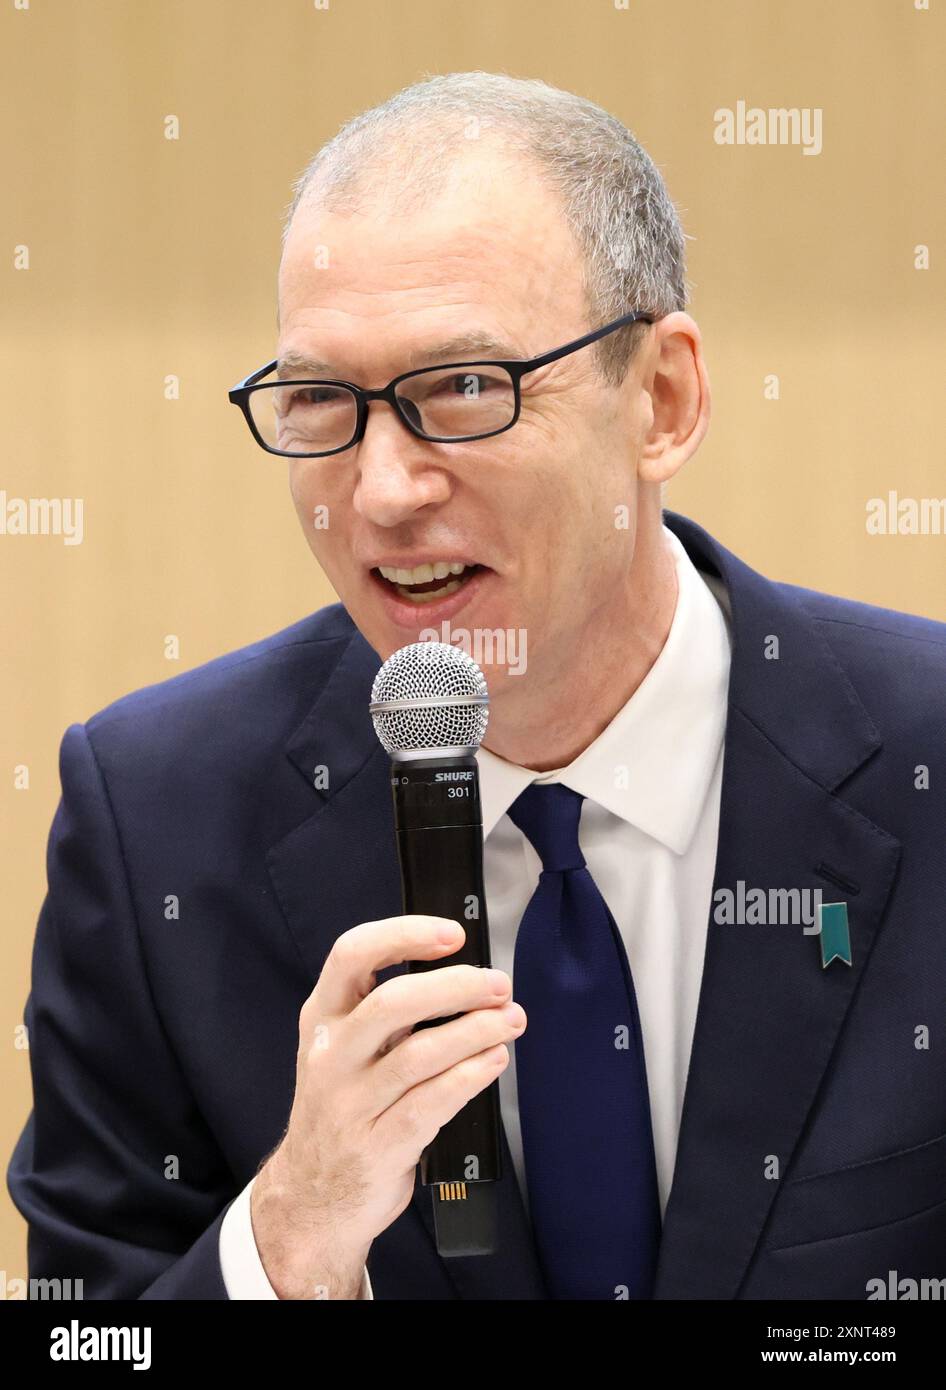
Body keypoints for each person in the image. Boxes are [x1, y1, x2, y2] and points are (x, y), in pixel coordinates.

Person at [8, 72, 946, 1301]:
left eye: (461, 388)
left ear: (660, 399)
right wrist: (285, 1240)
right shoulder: (157, 821)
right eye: (322, 402)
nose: (385, 491)